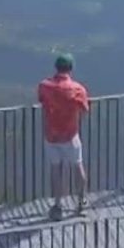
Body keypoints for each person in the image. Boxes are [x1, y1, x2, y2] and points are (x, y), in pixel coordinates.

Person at [38, 53, 91, 220]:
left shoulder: (44, 86)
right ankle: (81, 202)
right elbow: (85, 109)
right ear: (71, 68)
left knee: (56, 170)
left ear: (56, 67)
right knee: (77, 166)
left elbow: (42, 101)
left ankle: (58, 205)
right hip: (70, 135)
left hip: (51, 135)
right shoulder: (77, 89)